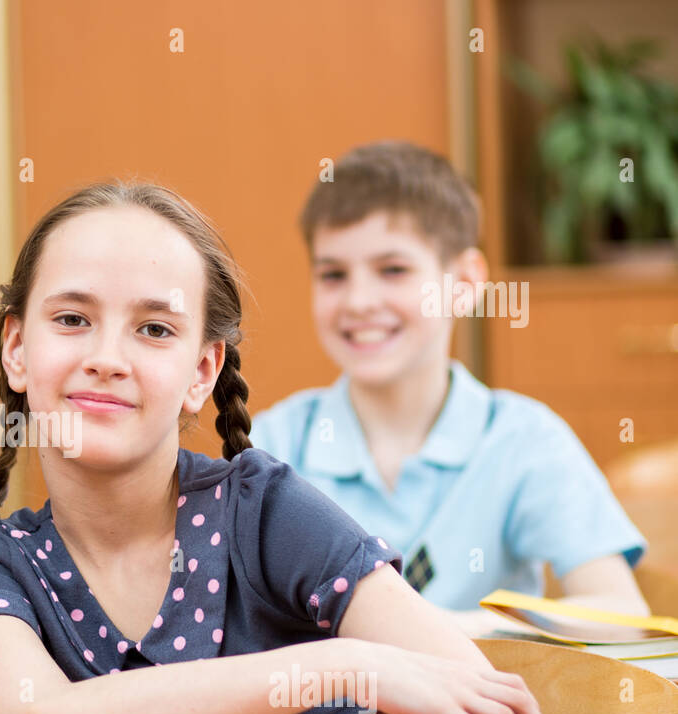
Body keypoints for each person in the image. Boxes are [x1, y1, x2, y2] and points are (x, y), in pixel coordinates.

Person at [0, 181, 545, 714]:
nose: (107, 358)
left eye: (153, 328)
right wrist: (338, 667)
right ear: (15, 348)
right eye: (72, 319)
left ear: (202, 372)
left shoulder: (266, 512)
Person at [250, 141, 648, 637]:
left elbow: (623, 617)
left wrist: (433, 630)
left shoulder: (524, 439)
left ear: (464, 282)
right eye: (333, 275)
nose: (358, 300)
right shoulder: (274, 444)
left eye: (393, 270)